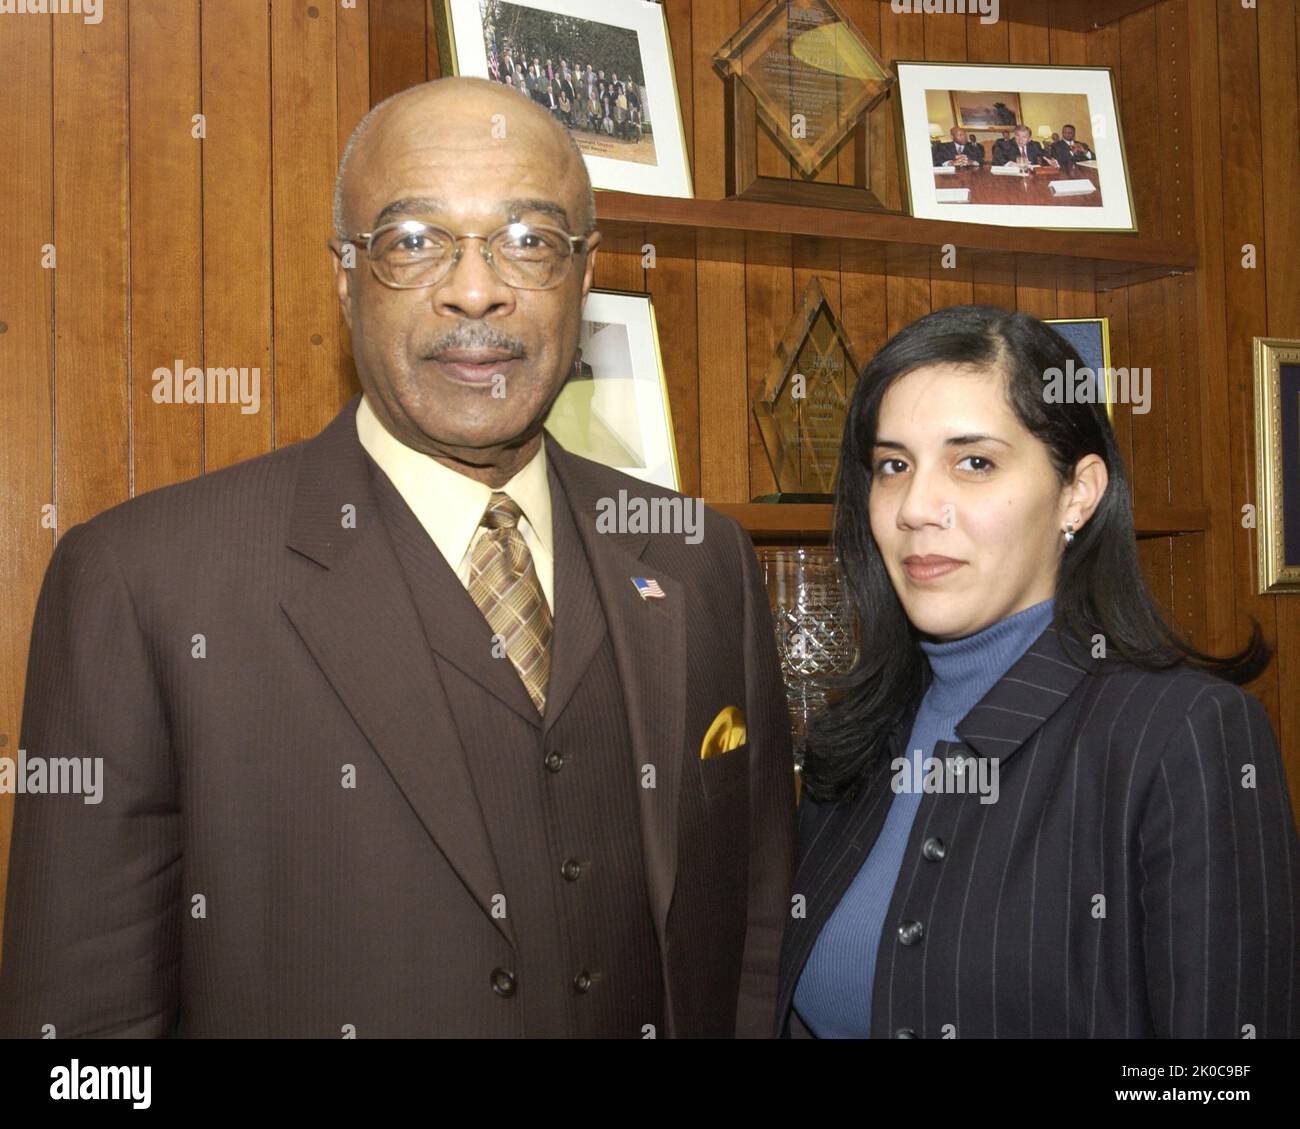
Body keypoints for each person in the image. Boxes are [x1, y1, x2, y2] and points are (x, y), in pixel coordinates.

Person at [0, 76, 795, 1039]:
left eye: (530, 240)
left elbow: (753, 926)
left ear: (585, 277)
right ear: (344, 275)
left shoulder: (701, 558)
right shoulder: (144, 581)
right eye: (413, 242)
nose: (475, 287)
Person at [777, 305, 1298, 1038]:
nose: (917, 507)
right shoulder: (856, 737)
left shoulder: (1184, 733)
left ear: (1078, 492)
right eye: (893, 465)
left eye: (975, 462)